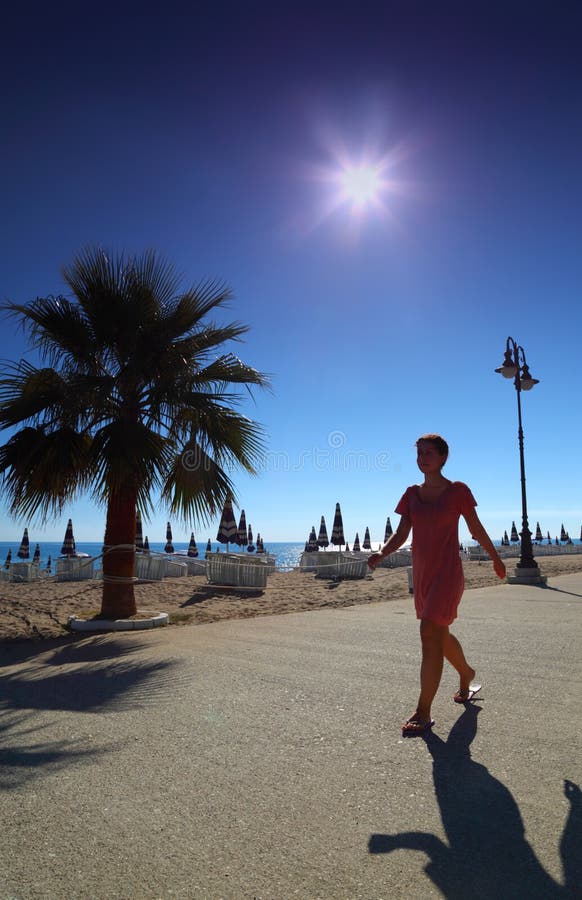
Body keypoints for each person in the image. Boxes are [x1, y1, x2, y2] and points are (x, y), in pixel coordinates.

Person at [368, 434, 506, 736]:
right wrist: (382, 552)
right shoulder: (411, 494)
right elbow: (402, 533)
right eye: (419, 453)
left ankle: (423, 711)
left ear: (443, 457)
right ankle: (467, 673)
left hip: (448, 574)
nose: (422, 457)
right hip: (423, 575)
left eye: (429, 452)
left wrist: (496, 558)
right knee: (438, 633)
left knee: (428, 631)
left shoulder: (458, 491)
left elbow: (475, 527)